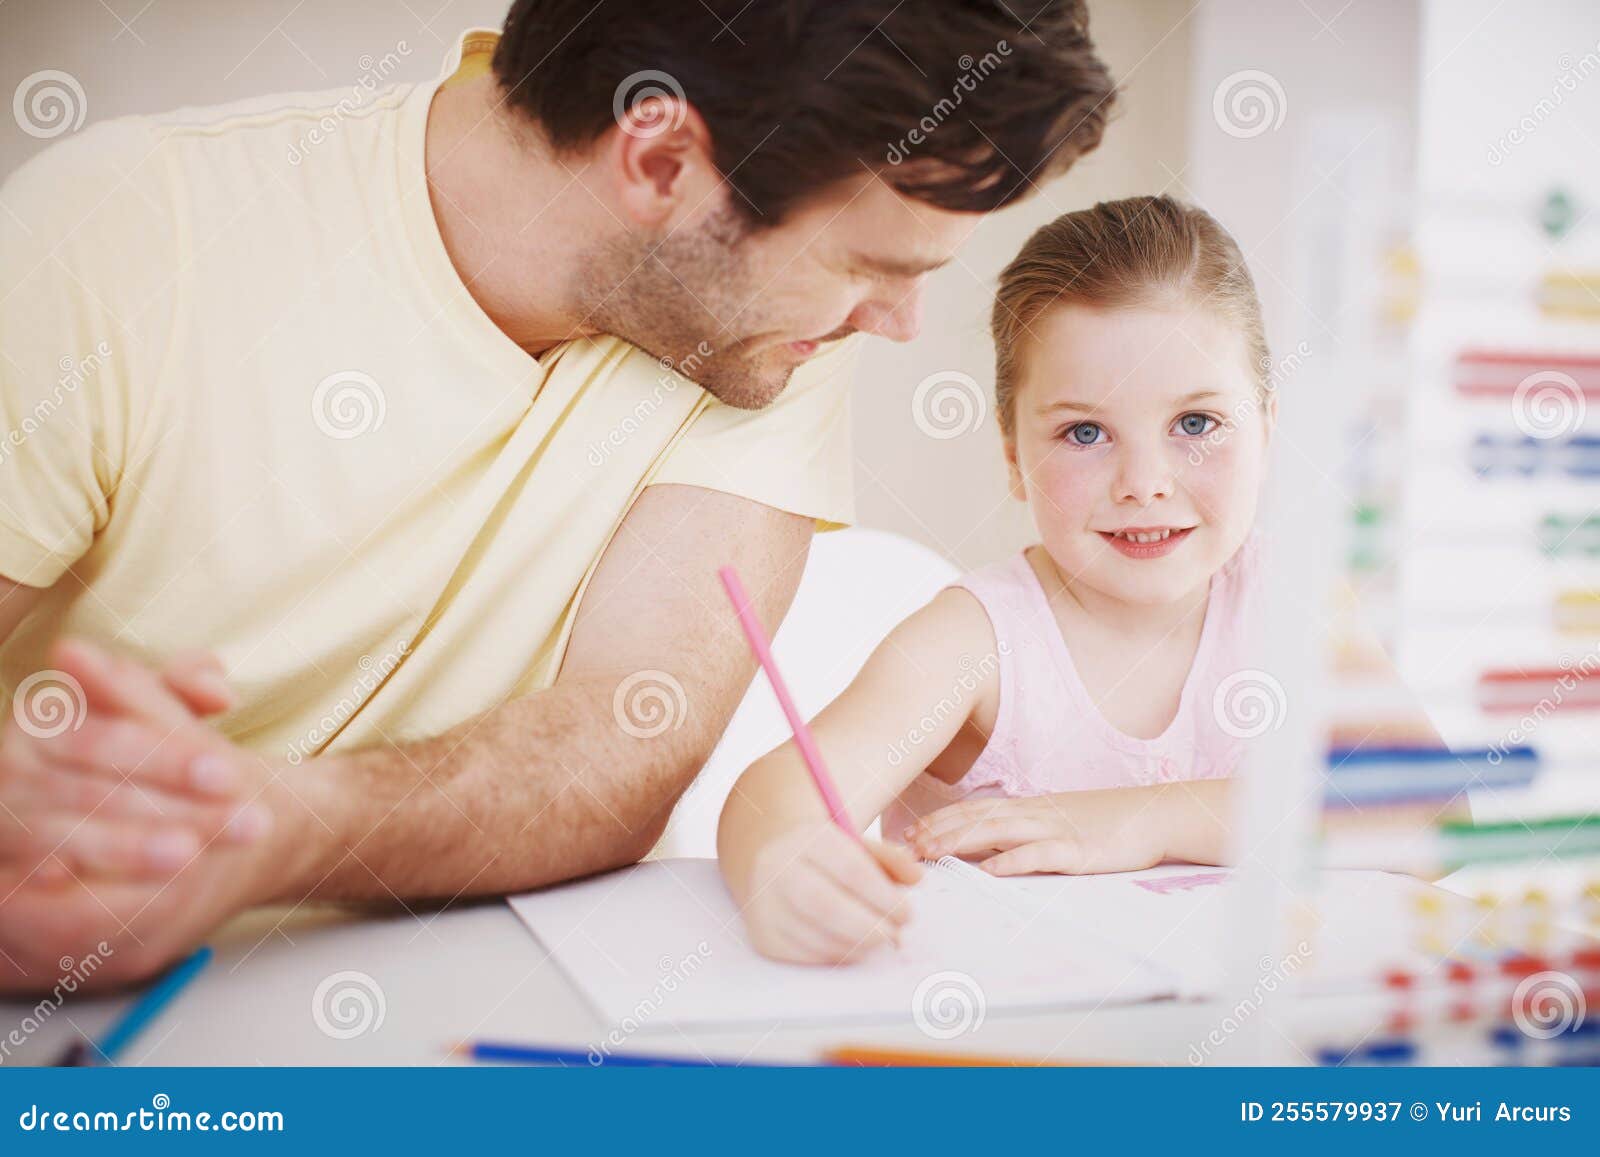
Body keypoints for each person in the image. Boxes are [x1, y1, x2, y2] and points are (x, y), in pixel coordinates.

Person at [0, 2, 1115, 991]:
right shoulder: (128, 234)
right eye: (876, 264)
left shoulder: (764, 334)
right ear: (662, 159)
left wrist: (274, 828)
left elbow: (628, 742)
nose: (898, 322)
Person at [719, 196, 1280, 964]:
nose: (1145, 482)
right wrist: (784, 862)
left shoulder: (1287, 603)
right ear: (1014, 457)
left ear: (1269, 429)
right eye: (1085, 432)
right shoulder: (976, 644)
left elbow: (1427, 809)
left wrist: (1142, 818)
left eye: (1196, 424)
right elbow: (775, 793)